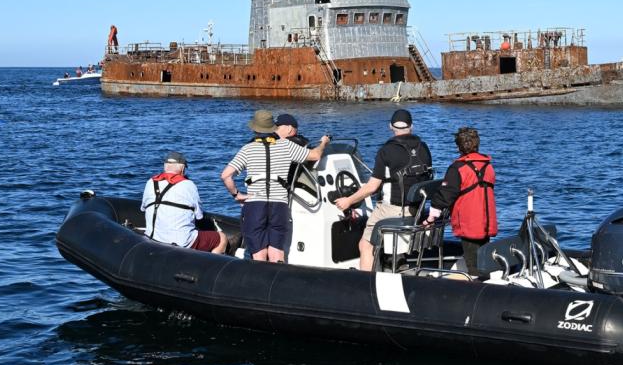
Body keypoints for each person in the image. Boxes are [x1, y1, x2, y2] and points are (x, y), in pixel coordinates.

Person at [220, 110, 328, 262]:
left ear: (255, 129)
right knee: (277, 252)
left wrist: (236, 195)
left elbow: (226, 175)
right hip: (279, 205)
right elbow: (315, 155)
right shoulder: (287, 145)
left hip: (255, 204)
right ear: (272, 128)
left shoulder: (247, 149)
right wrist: (324, 142)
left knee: (258, 254)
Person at [334, 109, 433, 271]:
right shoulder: (424, 147)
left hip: (392, 210)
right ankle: (397, 264)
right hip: (417, 210)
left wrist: (348, 200)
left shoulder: (386, 151)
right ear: (411, 126)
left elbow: (372, 187)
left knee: (365, 245)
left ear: (390, 127)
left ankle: (368, 285)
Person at [427, 127, 497, 278]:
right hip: (486, 221)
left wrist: (431, 216)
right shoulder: (488, 166)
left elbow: (445, 195)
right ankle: (484, 278)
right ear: (477, 144)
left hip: (469, 222)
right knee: (483, 256)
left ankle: (477, 284)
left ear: (458, 147)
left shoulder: (457, 168)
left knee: (473, 263)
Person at [141, 151, 227, 254]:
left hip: (151, 238)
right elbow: (199, 216)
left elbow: (143, 208)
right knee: (221, 238)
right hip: (181, 241)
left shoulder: (150, 182)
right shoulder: (188, 185)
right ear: (182, 169)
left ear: (165, 166)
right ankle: (209, 266)